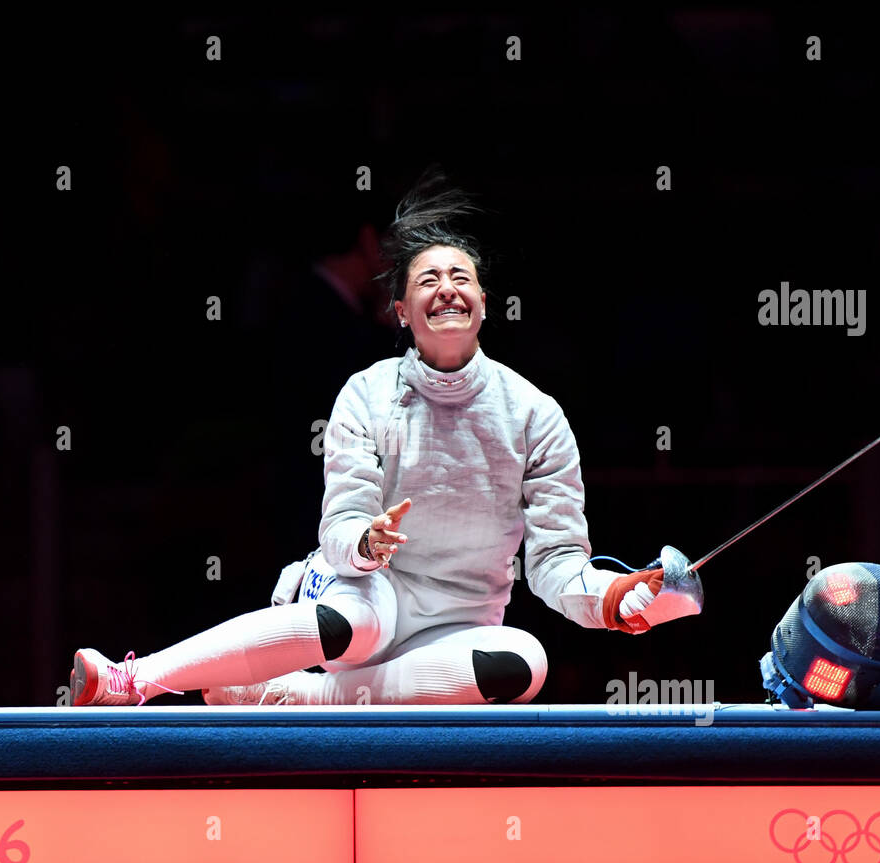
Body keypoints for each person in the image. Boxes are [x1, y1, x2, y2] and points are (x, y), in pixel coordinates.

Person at [69, 168, 683, 707]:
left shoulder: (534, 414)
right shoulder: (365, 393)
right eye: (428, 280)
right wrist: (365, 541)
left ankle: (301, 696)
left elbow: (554, 562)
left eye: (461, 277)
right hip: (364, 592)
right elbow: (337, 532)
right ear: (401, 311)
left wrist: (610, 598)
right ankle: (136, 680)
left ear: (484, 304)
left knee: (525, 662)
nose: (448, 287)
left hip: (457, 624)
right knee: (354, 622)